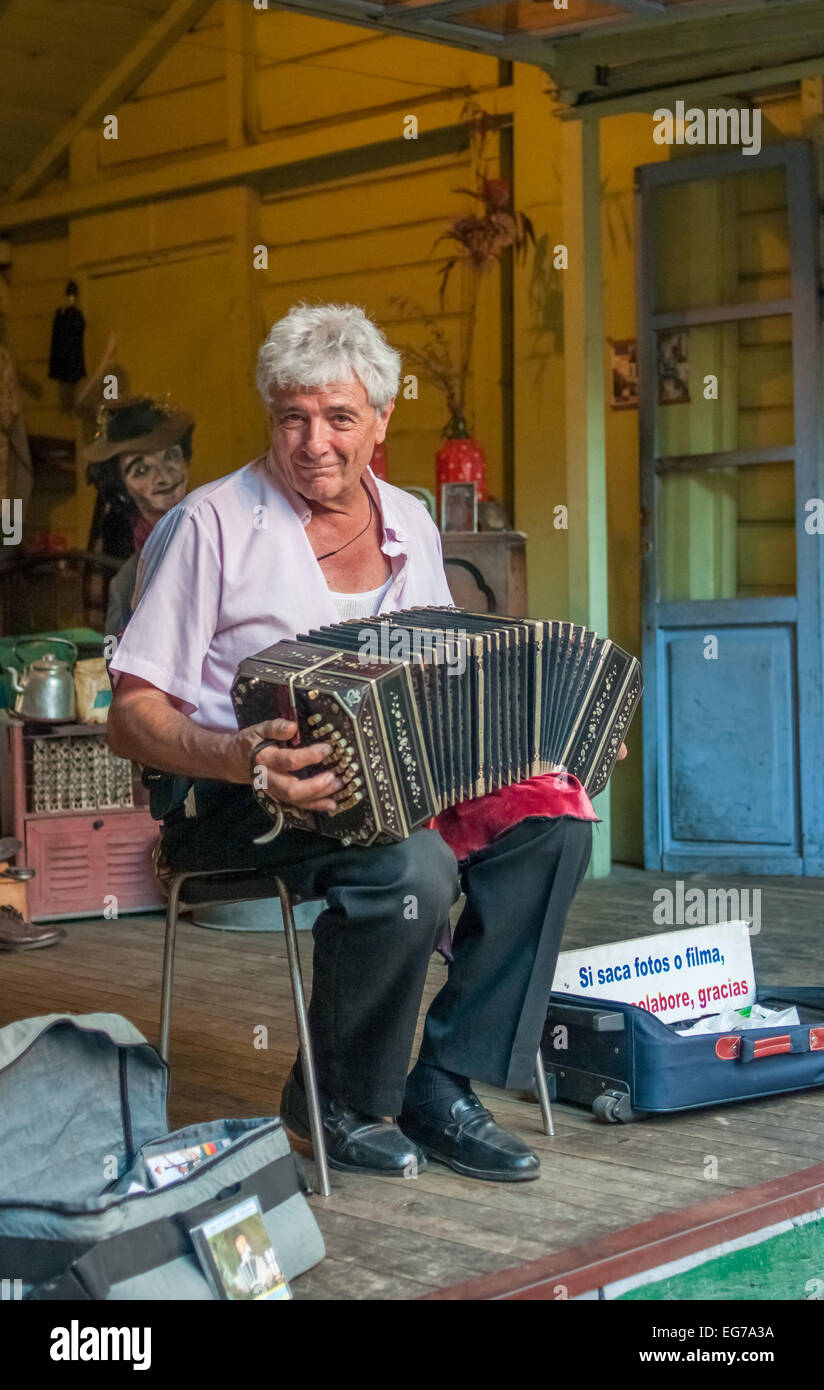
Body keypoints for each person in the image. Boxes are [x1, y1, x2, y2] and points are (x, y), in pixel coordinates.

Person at [107, 302, 602, 1184]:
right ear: (272, 420)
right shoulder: (211, 525)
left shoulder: (411, 520)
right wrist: (239, 758)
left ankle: (444, 1080)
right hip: (235, 795)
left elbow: (441, 679)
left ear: (381, 418)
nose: (314, 442)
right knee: (411, 867)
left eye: (339, 418)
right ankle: (334, 1099)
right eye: (292, 418)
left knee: (555, 821)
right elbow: (131, 712)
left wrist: (540, 743)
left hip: (396, 780)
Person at [83, 396, 193, 634]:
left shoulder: (226, 534)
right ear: (123, 490)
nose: (164, 476)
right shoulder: (126, 584)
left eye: (171, 456)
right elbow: (115, 667)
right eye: (141, 470)